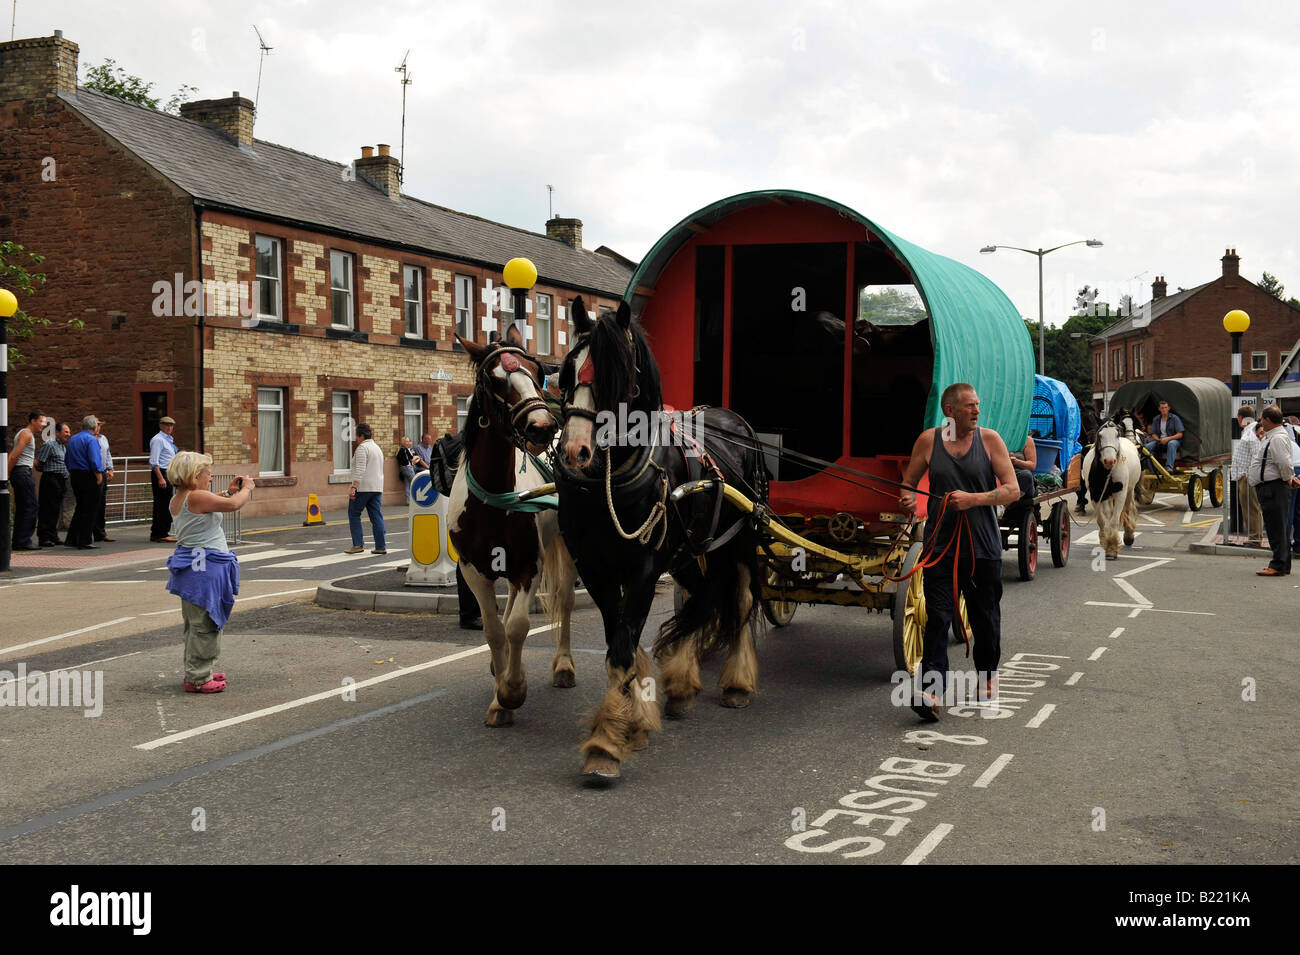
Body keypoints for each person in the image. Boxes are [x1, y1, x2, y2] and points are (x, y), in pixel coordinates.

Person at [898, 383, 1020, 719]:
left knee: (984, 618)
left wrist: (975, 499)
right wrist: (908, 498)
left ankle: (987, 674)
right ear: (949, 410)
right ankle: (930, 690)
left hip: (981, 547)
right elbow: (909, 483)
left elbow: (1013, 489)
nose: (976, 411)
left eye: (977, 405)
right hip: (940, 546)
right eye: (969, 406)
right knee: (937, 617)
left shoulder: (989, 440)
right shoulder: (928, 441)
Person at [165, 451, 254, 693]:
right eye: (209, 474)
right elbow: (234, 506)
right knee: (205, 623)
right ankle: (199, 677)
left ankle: (198, 669)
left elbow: (211, 502)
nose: (211, 478)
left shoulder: (181, 498)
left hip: (193, 568)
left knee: (195, 623)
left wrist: (228, 491)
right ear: (195, 476)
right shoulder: (196, 497)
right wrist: (247, 489)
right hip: (205, 568)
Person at [1251, 406, 1300, 576]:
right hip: (1272, 486)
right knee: (1280, 526)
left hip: (1273, 487)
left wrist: (1288, 478)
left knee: (1276, 527)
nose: (1261, 422)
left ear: (1268, 420)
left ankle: (1278, 565)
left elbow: (1284, 462)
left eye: (1262, 419)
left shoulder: (1277, 438)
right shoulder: (1275, 436)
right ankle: (1283, 564)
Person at [344, 422, 386, 555]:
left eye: (357, 436)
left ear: (361, 435)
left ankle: (358, 544)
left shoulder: (362, 448)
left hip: (363, 488)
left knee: (354, 514)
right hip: (377, 487)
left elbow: (360, 469)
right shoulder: (377, 448)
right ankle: (380, 546)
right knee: (376, 517)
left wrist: (353, 487)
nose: (356, 439)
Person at [7, 409, 45, 551]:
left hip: (22, 471)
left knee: (23, 507)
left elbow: (21, 455)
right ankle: (23, 541)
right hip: (22, 472)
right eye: (41, 421)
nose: (43, 424)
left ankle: (19, 540)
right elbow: (14, 456)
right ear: (33, 421)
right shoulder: (27, 434)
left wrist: (35, 463)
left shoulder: (26, 434)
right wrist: (7, 473)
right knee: (31, 506)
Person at [64, 416, 103, 549]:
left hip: (75, 474)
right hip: (88, 475)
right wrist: (98, 475)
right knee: (90, 509)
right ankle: (85, 540)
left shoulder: (73, 438)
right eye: (97, 425)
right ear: (94, 427)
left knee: (80, 507)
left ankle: (72, 538)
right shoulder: (91, 439)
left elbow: (67, 458)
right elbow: (94, 459)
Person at [34, 420, 71, 547]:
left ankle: (52, 535)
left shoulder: (62, 446)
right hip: (50, 479)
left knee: (55, 510)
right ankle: (44, 537)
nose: (68, 434)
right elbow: (38, 463)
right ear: (57, 433)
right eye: (66, 431)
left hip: (61, 480)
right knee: (47, 510)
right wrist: (49, 474)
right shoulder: (49, 445)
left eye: (69, 432)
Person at [1231, 406, 1264, 544]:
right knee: (1249, 508)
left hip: (1247, 476)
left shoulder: (1251, 433)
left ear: (1240, 418)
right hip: (1245, 475)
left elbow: (1257, 456)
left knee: (1251, 508)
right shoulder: (1250, 431)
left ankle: (1255, 537)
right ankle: (1254, 536)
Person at [149, 415, 179, 542]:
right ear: (161, 426)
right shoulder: (158, 440)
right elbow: (154, 462)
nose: (169, 427)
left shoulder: (167, 440)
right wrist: (161, 478)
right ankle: (160, 533)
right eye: (166, 425)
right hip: (161, 473)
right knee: (162, 504)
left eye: (171, 425)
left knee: (164, 503)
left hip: (167, 472)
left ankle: (159, 532)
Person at [92, 422, 116, 543]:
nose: (98, 427)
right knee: (91, 504)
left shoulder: (103, 438)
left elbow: (107, 454)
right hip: (92, 474)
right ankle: (87, 533)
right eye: (96, 425)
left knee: (101, 504)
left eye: (99, 425)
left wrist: (110, 469)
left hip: (102, 473)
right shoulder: (89, 439)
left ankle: (100, 533)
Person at [1145, 400, 1184, 471]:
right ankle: (1153, 470)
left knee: (1171, 444)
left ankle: (1169, 467)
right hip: (1160, 440)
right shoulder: (1156, 419)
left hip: (1173, 440)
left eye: (1165, 407)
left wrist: (1168, 439)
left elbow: (1180, 434)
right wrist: (1157, 440)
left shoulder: (1175, 418)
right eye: (1162, 408)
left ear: (1168, 408)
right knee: (1147, 448)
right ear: (1159, 409)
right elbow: (1153, 433)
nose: (1164, 409)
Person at [1008, 432, 1037, 499]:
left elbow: (1032, 466)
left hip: (1021, 481)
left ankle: (1008, 504)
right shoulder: (999, 438)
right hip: (1006, 479)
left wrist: (1016, 462)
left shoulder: (1027, 440)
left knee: (1026, 475)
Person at [395, 435, 417, 504]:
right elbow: (411, 458)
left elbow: (398, 458)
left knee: (407, 484)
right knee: (414, 481)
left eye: (408, 441)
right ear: (403, 442)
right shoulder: (405, 449)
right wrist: (416, 458)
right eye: (406, 441)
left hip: (403, 468)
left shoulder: (400, 449)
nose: (408, 443)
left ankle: (408, 501)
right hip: (407, 467)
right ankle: (416, 499)